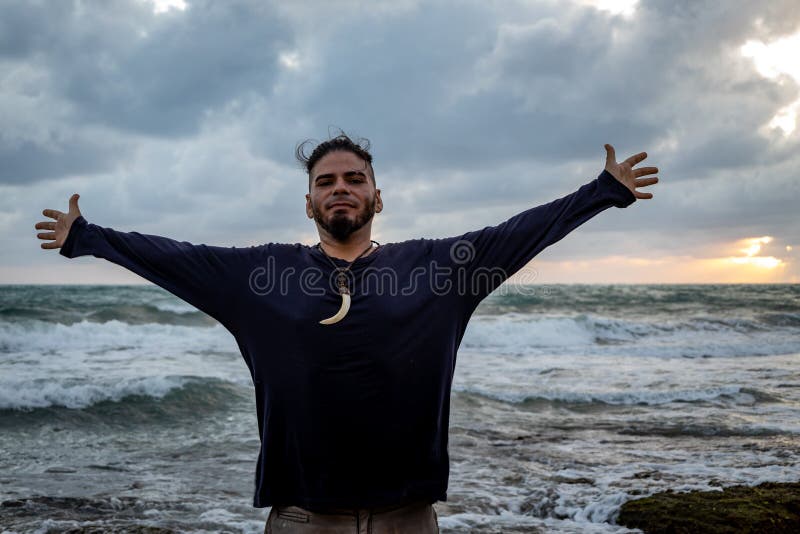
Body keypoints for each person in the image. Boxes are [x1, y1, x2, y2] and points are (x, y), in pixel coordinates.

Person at [35, 134, 658, 533]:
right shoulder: (258, 274)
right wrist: (87, 238)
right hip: (305, 515)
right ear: (309, 203)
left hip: (408, 515)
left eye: (354, 179)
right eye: (326, 182)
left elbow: (522, 232)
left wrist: (602, 192)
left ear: (377, 198)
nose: (341, 188)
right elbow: (174, 255)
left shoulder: (439, 269)